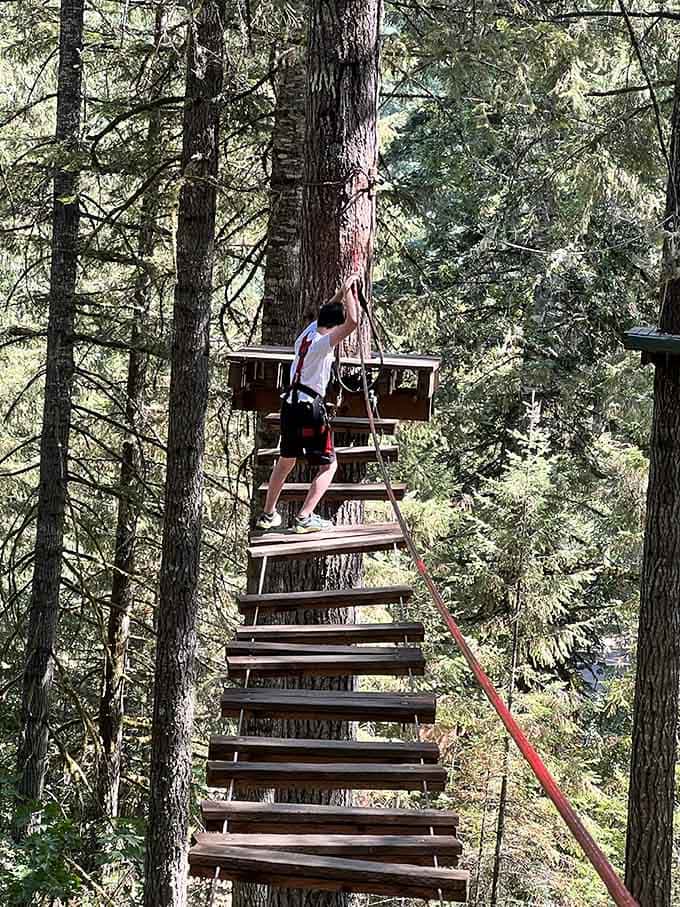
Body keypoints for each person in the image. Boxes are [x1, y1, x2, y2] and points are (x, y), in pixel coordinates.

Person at [256, 272, 361, 533]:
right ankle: (304, 517)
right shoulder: (322, 345)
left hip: (289, 405)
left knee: (286, 461)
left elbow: (329, 308)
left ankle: (268, 514)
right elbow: (354, 322)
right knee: (329, 464)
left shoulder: (305, 336)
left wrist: (341, 291)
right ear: (334, 326)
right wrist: (351, 292)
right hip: (309, 410)